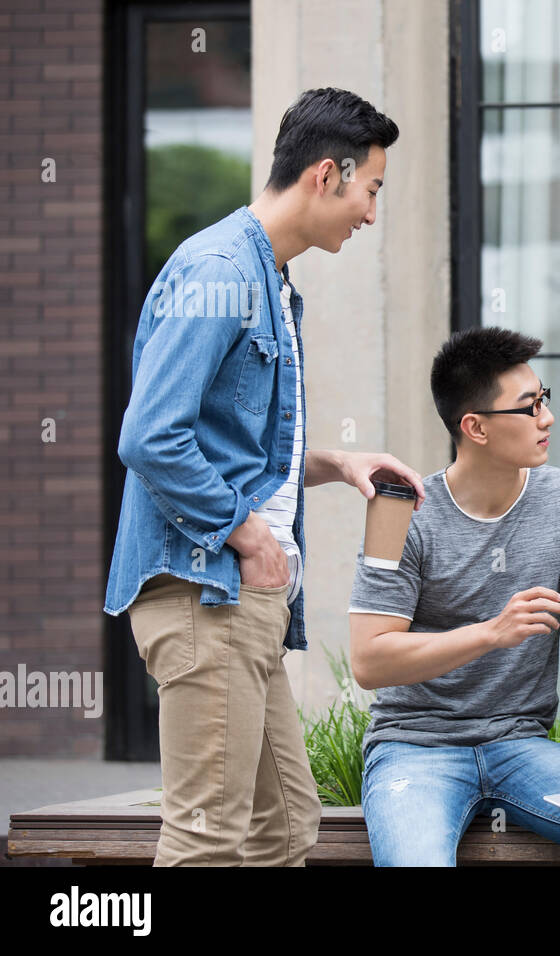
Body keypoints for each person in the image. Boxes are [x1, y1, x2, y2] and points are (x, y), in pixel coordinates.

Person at [105, 88, 427, 866]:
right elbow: (151, 435)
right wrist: (246, 534)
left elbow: (227, 445)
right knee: (207, 839)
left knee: (283, 828)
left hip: (243, 598)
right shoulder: (221, 270)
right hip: (203, 591)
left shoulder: (272, 281)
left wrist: (338, 463)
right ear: (326, 175)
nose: (371, 214)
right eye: (371, 190)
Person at [347, 327, 560, 867]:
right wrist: (490, 634)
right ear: (474, 427)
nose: (546, 418)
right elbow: (369, 660)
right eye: (528, 408)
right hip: (414, 748)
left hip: (521, 746)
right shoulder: (401, 514)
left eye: (544, 398)